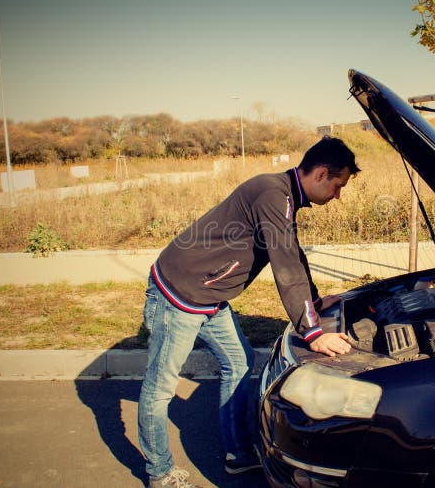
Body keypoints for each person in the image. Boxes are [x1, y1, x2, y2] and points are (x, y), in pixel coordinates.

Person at [138, 136, 358, 487]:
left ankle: (237, 456)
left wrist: (313, 303)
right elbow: (284, 264)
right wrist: (313, 333)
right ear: (320, 174)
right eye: (337, 185)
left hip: (209, 294)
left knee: (239, 363)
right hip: (179, 293)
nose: (337, 195)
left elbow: (292, 254)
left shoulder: (284, 195)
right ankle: (160, 472)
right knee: (160, 387)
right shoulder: (274, 194)